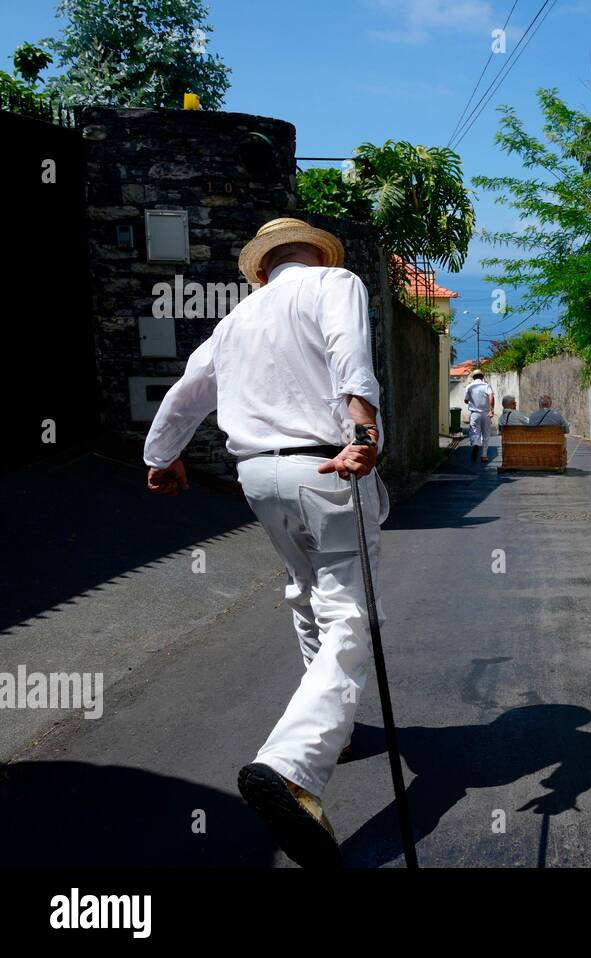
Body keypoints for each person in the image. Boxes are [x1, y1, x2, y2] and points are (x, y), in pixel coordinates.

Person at [143, 217, 390, 867]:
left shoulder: (234, 322)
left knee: (306, 594)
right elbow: (348, 352)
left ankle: (328, 733)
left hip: (258, 476)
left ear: (260, 269)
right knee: (349, 614)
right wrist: (361, 426)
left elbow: (187, 392)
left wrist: (162, 455)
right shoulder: (335, 282)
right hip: (325, 466)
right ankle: (290, 766)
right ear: (315, 253)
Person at [464, 369, 494, 462]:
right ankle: (484, 456)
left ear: (473, 377)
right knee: (486, 434)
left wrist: (471, 400)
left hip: (475, 413)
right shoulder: (486, 386)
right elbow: (491, 397)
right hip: (486, 413)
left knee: (474, 432)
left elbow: (465, 400)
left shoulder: (469, 386)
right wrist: (491, 410)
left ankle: (476, 443)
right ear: (482, 377)